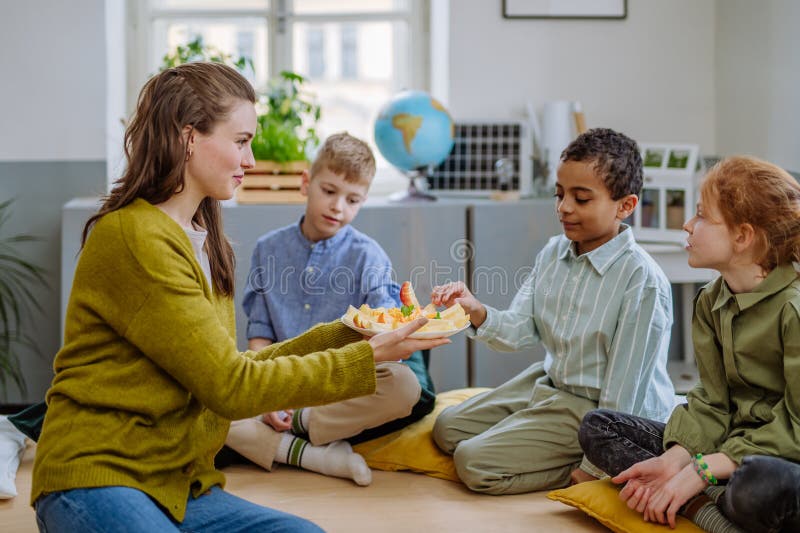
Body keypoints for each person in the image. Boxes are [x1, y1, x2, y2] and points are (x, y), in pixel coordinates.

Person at [30, 61, 450, 532]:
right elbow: (231, 386)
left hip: (178, 481)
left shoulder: (203, 237)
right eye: (241, 141)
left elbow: (231, 371)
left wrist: (350, 331)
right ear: (190, 138)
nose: (250, 161)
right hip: (102, 474)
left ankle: (295, 443)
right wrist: (364, 355)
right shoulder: (136, 237)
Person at [429, 128, 676, 495]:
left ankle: (600, 468)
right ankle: (537, 438)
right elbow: (520, 330)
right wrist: (475, 310)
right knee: (447, 429)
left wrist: (595, 466)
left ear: (625, 206)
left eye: (581, 198)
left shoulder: (643, 281)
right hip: (550, 385)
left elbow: (625, 392)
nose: (563, 208)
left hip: (599, 411)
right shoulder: (553, 252)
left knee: (473, 461)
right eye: (559, 194)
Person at [579, 156, 800, 533]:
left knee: (756, 486)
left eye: (701, 216)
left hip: (781, 457)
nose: (687, 224)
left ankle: (701, 498)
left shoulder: (792, 310)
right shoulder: (710, 300)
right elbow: (712, 401)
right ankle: (701, 500)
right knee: (597, 427)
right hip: (727, 447)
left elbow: (796, 425)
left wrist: (703, 468)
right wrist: (676, 460)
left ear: (742, 236)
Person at [221, 132, 436, 486]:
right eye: (329, 191)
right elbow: (260, 336)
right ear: (307, 183)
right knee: (204, 398)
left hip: (342, 386)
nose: (338, 207)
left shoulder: (369, 256)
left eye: (352, 200)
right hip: (284, 380)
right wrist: (268, 398)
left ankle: (292, 431)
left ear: (363, 201)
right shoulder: (267, 249)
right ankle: (312, 456)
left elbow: (384, 342)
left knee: (406, 387)